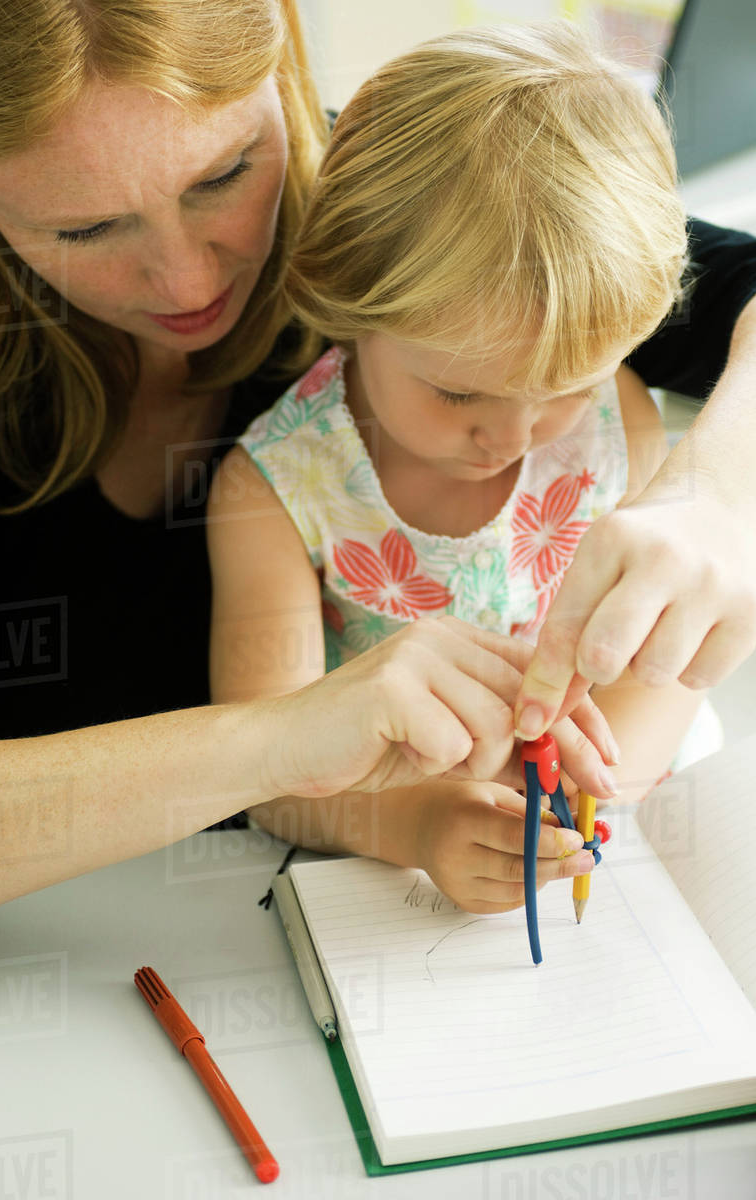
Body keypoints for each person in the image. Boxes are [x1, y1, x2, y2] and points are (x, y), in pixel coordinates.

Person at [0, 0, 756, 914]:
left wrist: (722, 497)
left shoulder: (440, 201)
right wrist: (392, 809)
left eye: (224, 174)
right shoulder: (288, 468)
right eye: (84, 229)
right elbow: (288, 783)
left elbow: (747, 286)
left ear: (284, 63)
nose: (191, 282)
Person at [208, 22, 720, 911]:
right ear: (347, 299)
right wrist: (417, 824)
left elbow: (670, 660)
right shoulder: (275, 489)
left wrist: (602, 789)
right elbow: (269, 776)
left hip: (637, 821)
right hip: (398, 868)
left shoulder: (616, 417)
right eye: (456, 394)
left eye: (565, 387)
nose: (511, 436)